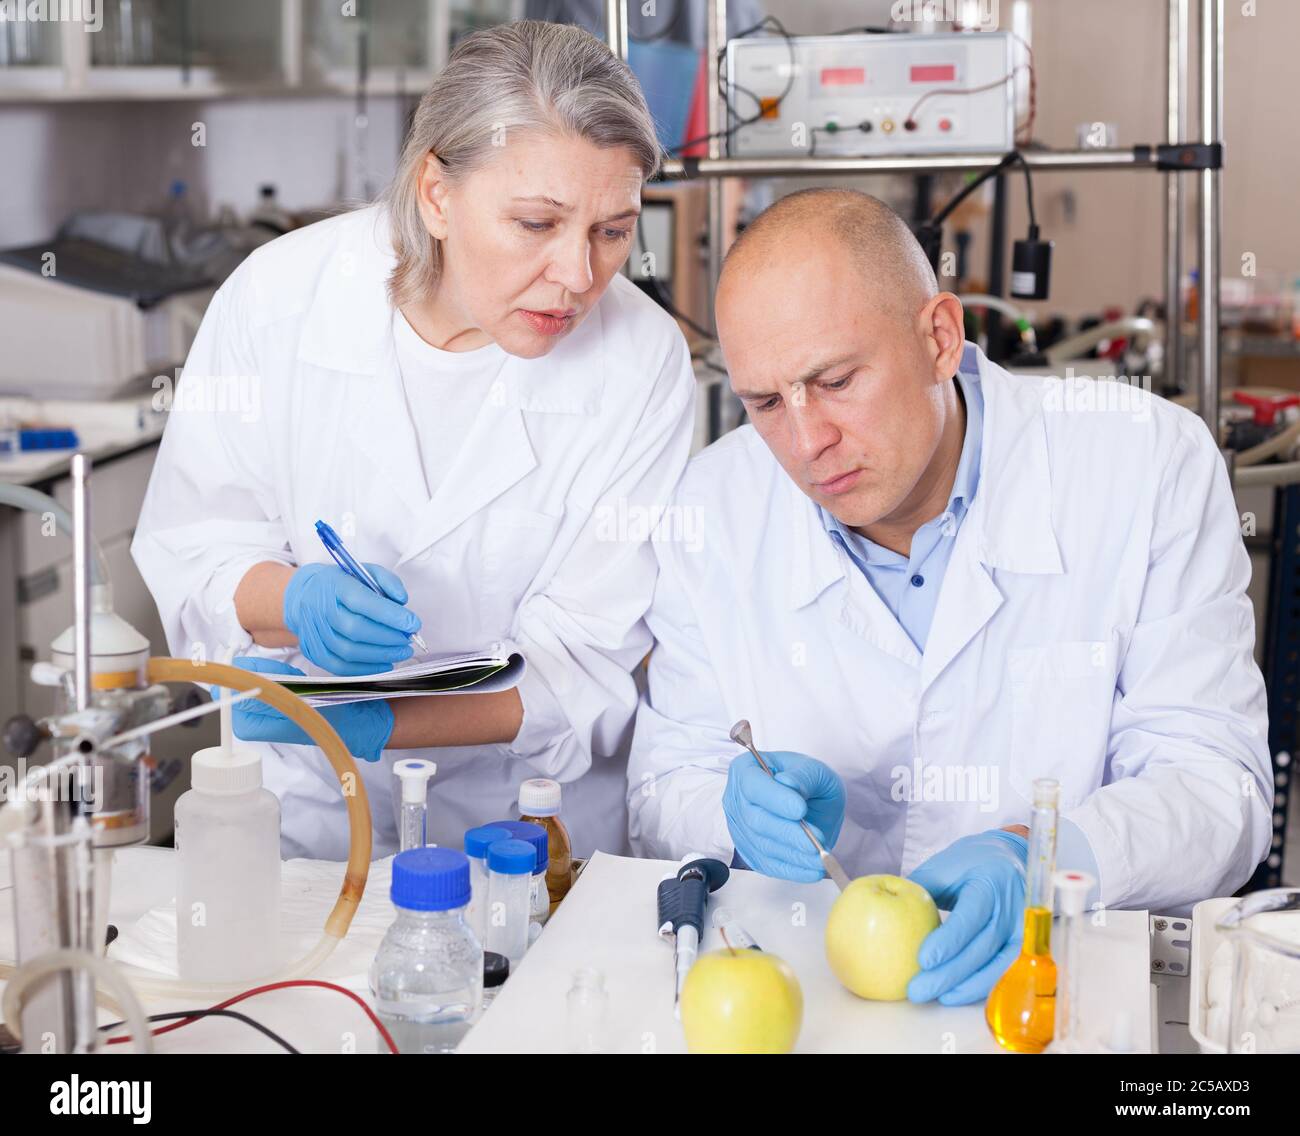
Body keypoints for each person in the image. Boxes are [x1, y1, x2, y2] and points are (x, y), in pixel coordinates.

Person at [628, 188, 1272, 1005]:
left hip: (1061, 984)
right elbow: (664, 785)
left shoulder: (1146, 465)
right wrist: (735, 816)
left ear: (938, 337)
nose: (805, 440)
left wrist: (1040, 855)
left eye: (834, 380)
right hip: (815, 996)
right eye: (764, 402)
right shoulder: (712, 507)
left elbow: (1219, 784)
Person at [133, 21, 696, 860]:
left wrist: (385, 722)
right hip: (307, 819)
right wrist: (291, 601)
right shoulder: (279, 299)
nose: (578, 276)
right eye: (536, 224)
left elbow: (587, 662)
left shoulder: (640, 358)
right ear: (436, 192)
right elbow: (196, 543)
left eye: (613, 231)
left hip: (529, 826)